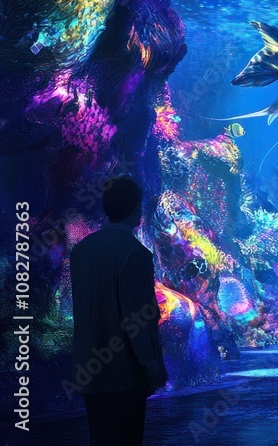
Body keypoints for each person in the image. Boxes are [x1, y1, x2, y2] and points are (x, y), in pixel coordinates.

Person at [70, 176, 166, 446]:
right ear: (137, 210)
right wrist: (150, 364)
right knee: (127, 437)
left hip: (88, 368)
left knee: (98, 437)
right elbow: (137, 316)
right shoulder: (136, 254)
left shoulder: (81, 251)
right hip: (125, 370)